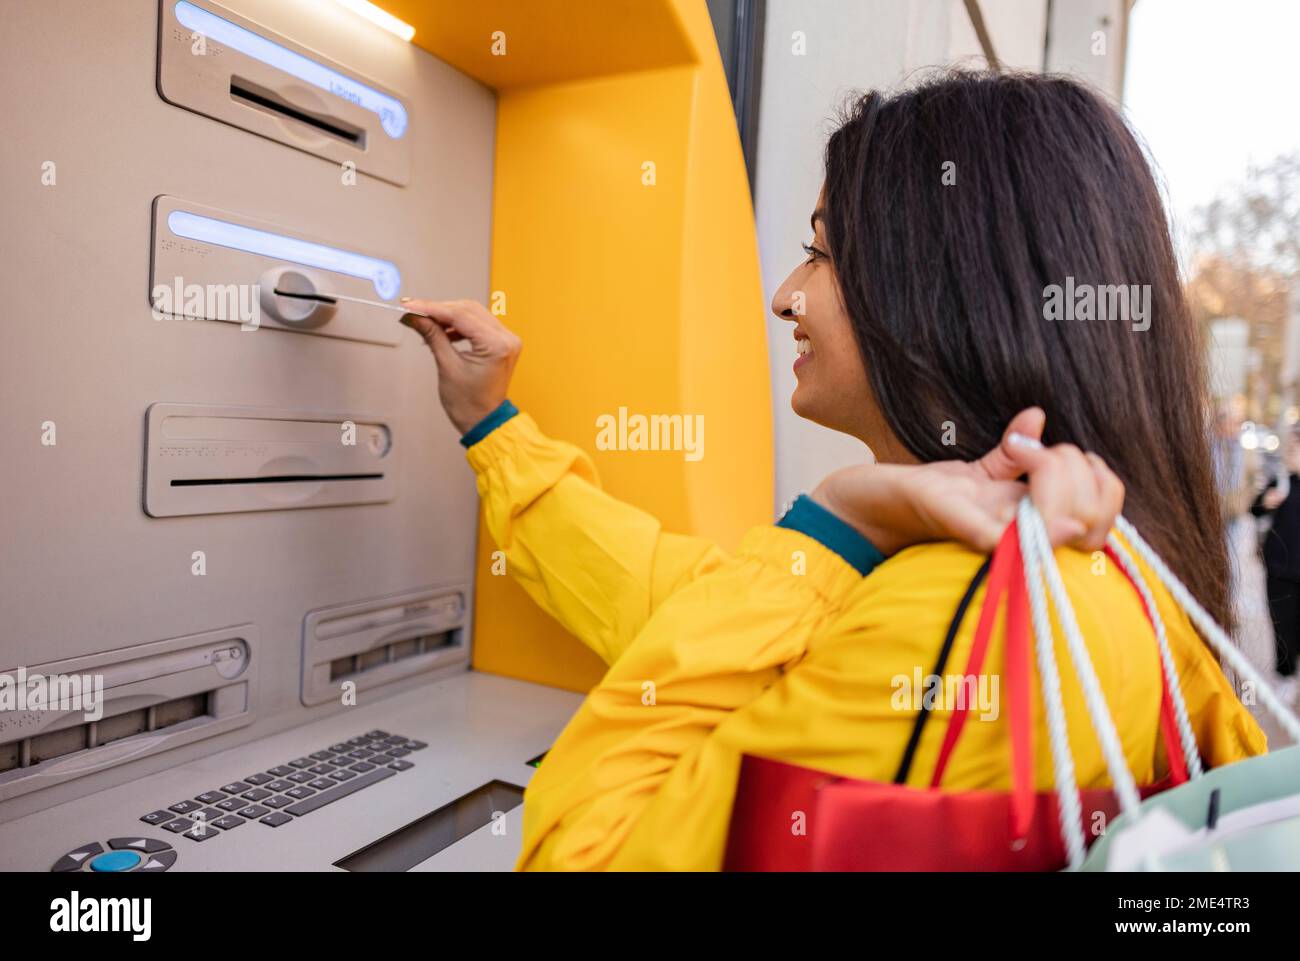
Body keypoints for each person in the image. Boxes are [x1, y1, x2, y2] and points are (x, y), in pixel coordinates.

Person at [399, 70, 1266, 870]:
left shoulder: (963, 620)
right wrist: (493, 427)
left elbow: (578, 850)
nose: (785, 295)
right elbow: (677, 596)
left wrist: (837, 518)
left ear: (937, 289)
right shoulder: (1070, 565)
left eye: (820, 252)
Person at [1252, 429, 1300, 701]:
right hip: (1280, 569)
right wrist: (1265, 502)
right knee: (1282, 622)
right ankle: (1285, 675)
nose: (1290, 454)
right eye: (1290, 448)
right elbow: (1253, 508)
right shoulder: (1280, 482)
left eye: (1295, 449)